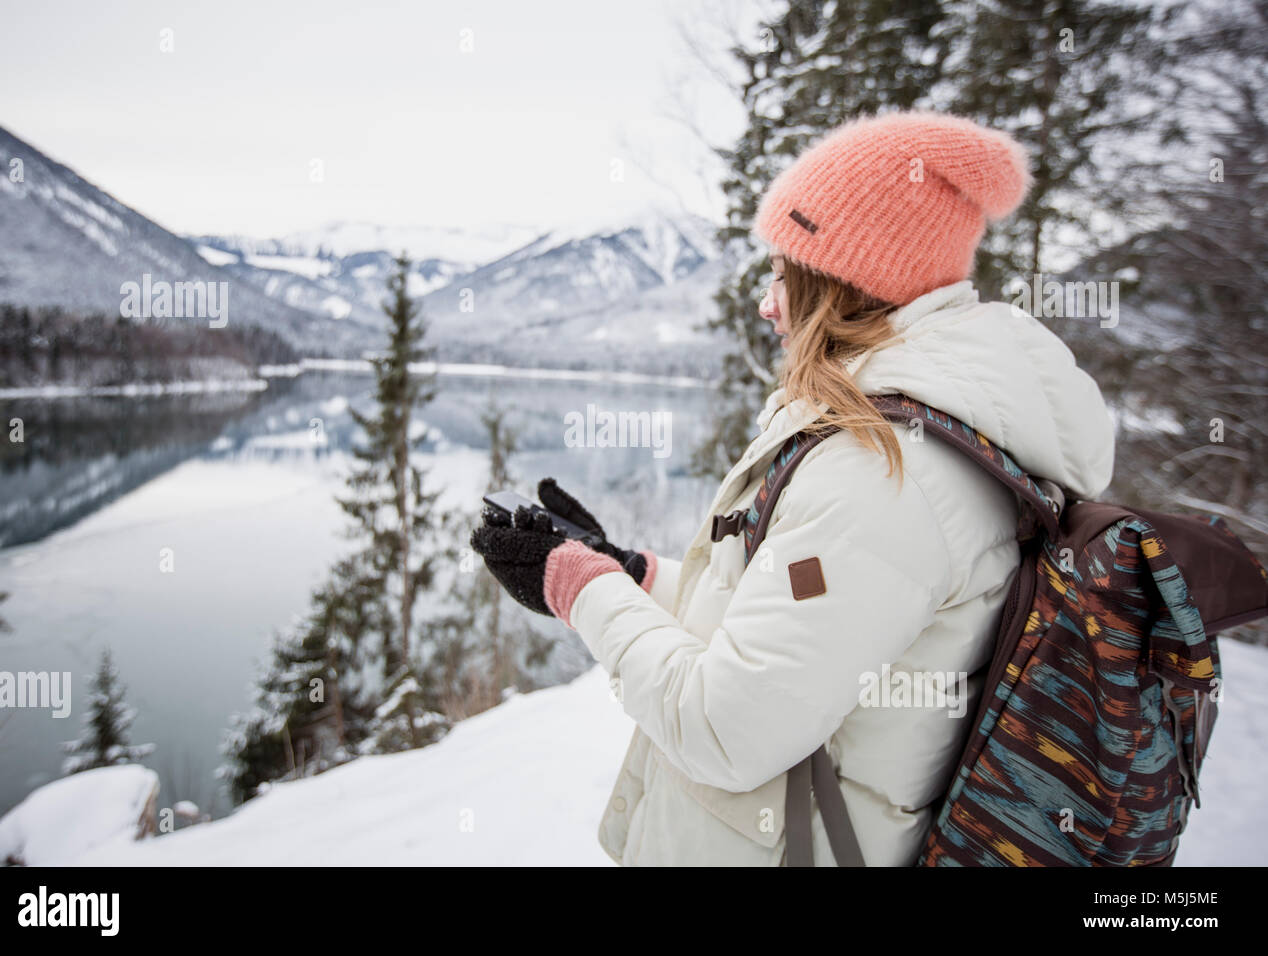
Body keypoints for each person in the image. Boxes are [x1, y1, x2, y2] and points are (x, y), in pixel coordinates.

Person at [470, 110, 1116, 866]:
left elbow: (723, 729)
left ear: (845, 286)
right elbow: (785, 628)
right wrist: (633, 573)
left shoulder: (887, 474)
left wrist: (581, 588)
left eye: (782, 274)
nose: (765, 303)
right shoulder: (905, 440)